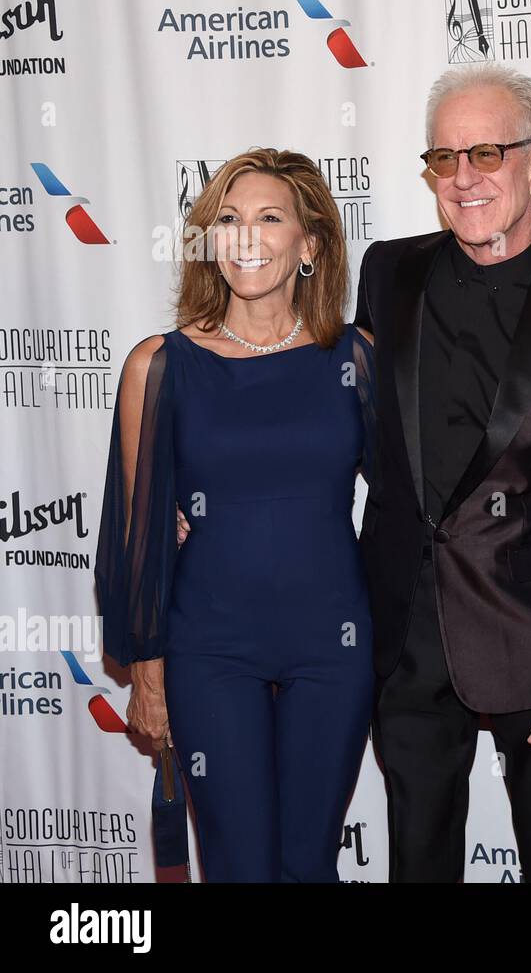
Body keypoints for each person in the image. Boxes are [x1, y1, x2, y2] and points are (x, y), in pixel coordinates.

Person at [356, 64, 531, 883]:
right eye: (442, 159)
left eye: (485, 152)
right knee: (416, 863)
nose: (463, 178)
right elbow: (352, 422)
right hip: (404, 638)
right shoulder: (388, 274)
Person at [95, 148, 376, 882]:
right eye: (228, 219)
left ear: (309, 244)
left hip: (333, 648)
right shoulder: (158, 365)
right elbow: (139, 540)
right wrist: (148, 677)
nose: (246, 235)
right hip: (209, 647)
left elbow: (413, 512)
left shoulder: (357, 358)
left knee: (308, 866)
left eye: (269, 217)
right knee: (239, 868)